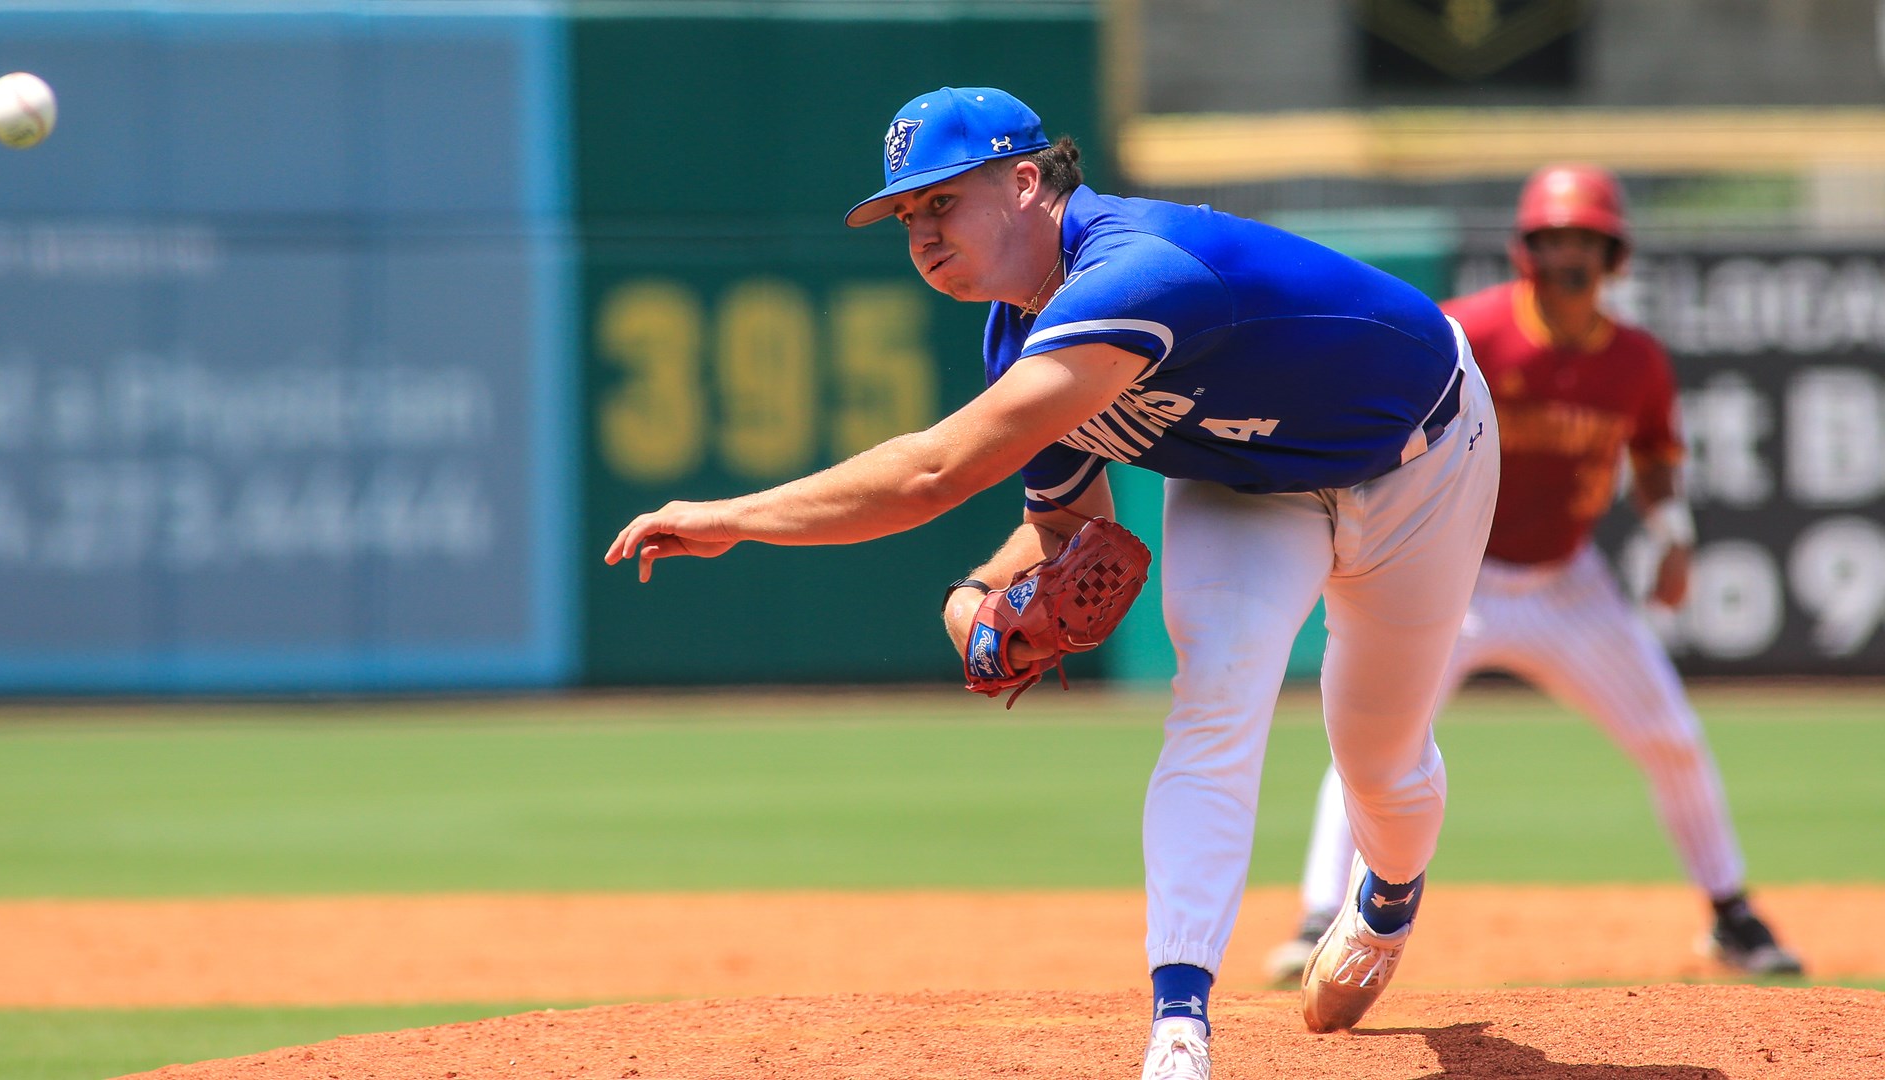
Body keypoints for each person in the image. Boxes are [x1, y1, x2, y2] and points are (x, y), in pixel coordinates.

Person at [606, 87, 1500, 1078]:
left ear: (1025, 181)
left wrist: (731, 520)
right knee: (1216, 699)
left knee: (1378, 756)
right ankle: (1178, 1029)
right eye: (905, 215)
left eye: (940, 202)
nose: (921, 233)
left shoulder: (1140, 271)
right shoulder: (1016, 341)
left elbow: (935, 471)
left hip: (1424, 459)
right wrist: (970, 598)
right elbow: (1072, 532)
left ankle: (1388, 897)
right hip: (1249, 490)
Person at [1262, 163, 1804, 988]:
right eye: (1554, 240)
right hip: (1455, 577)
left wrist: (1672, 529)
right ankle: (1315, 916)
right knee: (1373, 743)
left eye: (1586, 239)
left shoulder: (1635, 361)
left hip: (1567, 582)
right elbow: (1392, 415)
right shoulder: (1473, 331)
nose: (1569, 256)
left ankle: (1732, 915)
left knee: (1672, 738)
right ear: (1528, 252)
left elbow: (1656, 451)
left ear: (1613, 254)